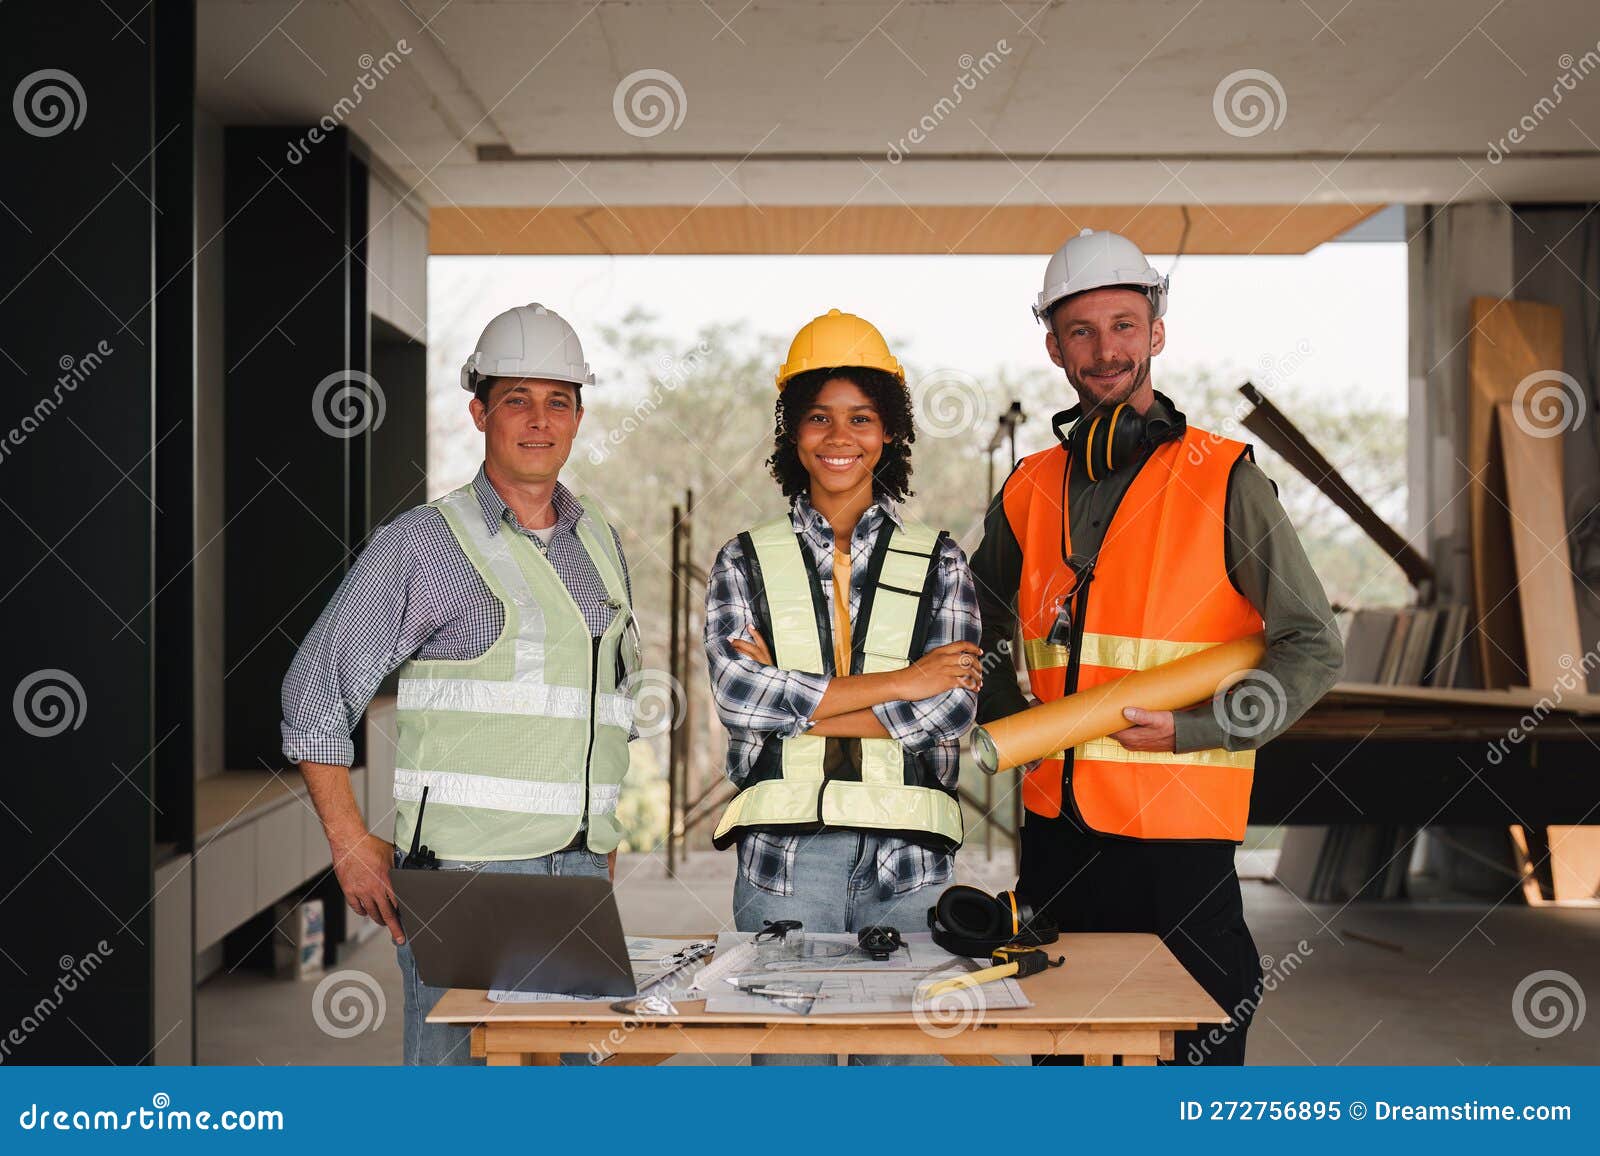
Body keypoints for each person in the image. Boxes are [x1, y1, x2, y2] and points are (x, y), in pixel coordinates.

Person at [970, 230, 1344, 1065]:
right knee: (1065, 1033)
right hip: (1055, 824)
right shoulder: (1030, 486)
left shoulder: (1226, 479)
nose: (1105, 350)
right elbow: (974, 621)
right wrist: (1011, 720)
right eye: (1082, 331)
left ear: (1157, 333)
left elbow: (1311, 645)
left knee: (1202, 1025)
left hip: (1177, 827)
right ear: (1053, 345)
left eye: (1124, 325)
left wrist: (1201, 729)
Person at [281, 303, 638, 1065]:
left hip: (577, 876)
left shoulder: (600, 541)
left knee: (563, 1105)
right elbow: (315, 690)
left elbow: (609, 710)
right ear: (479, 411)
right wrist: (347, 841)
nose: (539, 421)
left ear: (579, 416)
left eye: (559, 401)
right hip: (466, 881)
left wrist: (601, 843)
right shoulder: (422, 544)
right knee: (457, 1100)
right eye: (517, 400)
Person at [704, 309, 982, 1065]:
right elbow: (736, 696)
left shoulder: (940, 559)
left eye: (861, 418)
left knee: (898, 1085)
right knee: (792, 1080)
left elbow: (951, 710)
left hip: (912, 858)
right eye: (820, 417)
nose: (839, 437)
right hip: (786, 862)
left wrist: (795, 711)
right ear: (793, 432)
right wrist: (905, 681)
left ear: (888, 432)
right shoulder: (744, 560)